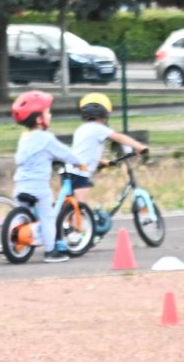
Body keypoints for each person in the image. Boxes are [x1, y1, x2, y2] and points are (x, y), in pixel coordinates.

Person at [11, 90, 85, 264]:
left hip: (20, 183)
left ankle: (13, 244)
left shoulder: (24, 138)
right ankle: (51, 251)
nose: (50, 115)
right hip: (39, 187)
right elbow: (65, 153)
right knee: (48, 217)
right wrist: (79, 162)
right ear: (39, 119)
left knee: (21, 216)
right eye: (48, 112)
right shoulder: (46, 138)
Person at [72, 91, 149, 235]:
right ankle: (74, 237)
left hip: (72, 169)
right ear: (104, 113)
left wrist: (101, 161)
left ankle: (76, 232)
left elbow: (83, 151)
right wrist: (139, 147)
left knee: (74, 206)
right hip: (80, 173)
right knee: (80, 208)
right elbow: (119, 138)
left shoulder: (81, 129)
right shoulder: (99, 128)